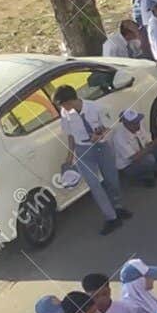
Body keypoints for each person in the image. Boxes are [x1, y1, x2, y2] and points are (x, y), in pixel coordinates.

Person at [54, 84, 130, 235]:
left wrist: (99, 135)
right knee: (94, 185)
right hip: (83, 150)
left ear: (69, 101)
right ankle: (111, 218)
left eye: (62, 104)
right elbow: (71, 136)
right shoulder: (65, 114)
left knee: (112, 179)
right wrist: (70, 156)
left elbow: (109, 126)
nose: (62, 108)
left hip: (101, 147)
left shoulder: (96, 108)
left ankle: (118, 207)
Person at [112, 110, 157, 187]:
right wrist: (153, 144)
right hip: (129, 165)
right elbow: (134, 157)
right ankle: (146, 177)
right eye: (135, 123)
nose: (138, 124)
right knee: (149, 159)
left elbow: (148, 142)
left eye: (138, 121)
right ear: (126, 124)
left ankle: (155, 170)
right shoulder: (119, 137)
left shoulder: (139, 127)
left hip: (143, 152)